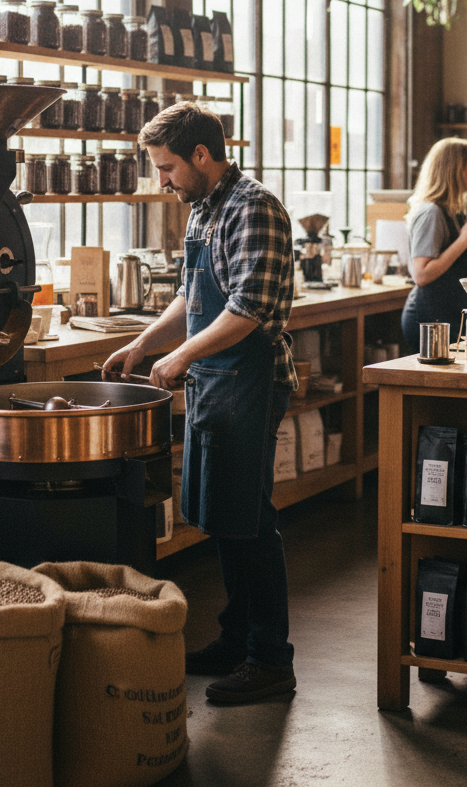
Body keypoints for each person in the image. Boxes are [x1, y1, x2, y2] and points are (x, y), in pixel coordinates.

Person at [101, 102, 298, 704]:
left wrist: (182, 356)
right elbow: (192, 295)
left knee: (251, 521)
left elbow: (249, 308)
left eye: (167, 168)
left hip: (250, 377)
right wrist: (139, 345)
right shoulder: (204, 210)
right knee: (222, 515)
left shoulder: (254, 208)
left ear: (202, 157)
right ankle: (236, 639)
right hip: (215, 378)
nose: (162, 181)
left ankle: (270, 659)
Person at [400, 137, 467, 351]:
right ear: (456, 171)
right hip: (428, 318)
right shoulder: (431, 212)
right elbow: (422, 274)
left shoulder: (450, 212)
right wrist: (464, 241)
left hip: (445, 314)